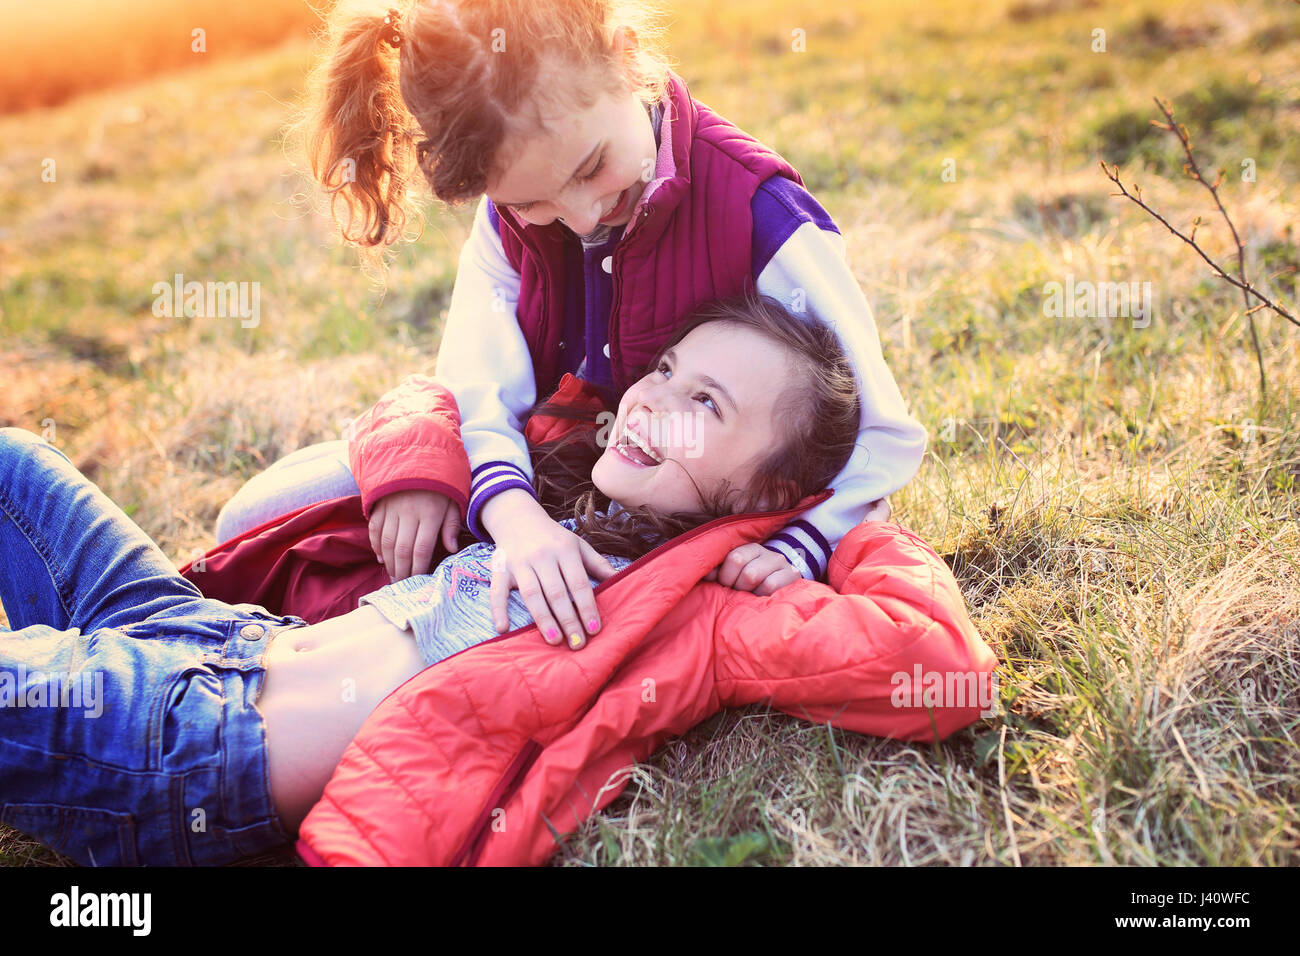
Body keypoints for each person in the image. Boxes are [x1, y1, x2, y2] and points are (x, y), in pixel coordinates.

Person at [0, 292, 863, 865]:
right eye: (667, 369)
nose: (652, 401)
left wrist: (807, 545)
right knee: (14, 462)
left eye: (706, 404)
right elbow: (436, 398)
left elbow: (914, 653)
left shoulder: (696, 604)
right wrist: (422, 473)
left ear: (770, 492)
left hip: (196, 744)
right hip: (213, 635)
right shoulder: (551, 480)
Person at [214, 0, 927, 645]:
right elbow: (476, 388)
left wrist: (800, 545)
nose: (582, 218)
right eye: (535, 203)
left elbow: (880, 430)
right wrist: (513, 518)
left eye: (592, 167)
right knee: (250, 523)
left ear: (623, 57)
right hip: (532, 472)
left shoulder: (764, 218)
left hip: (641, 503)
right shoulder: (505, 221)